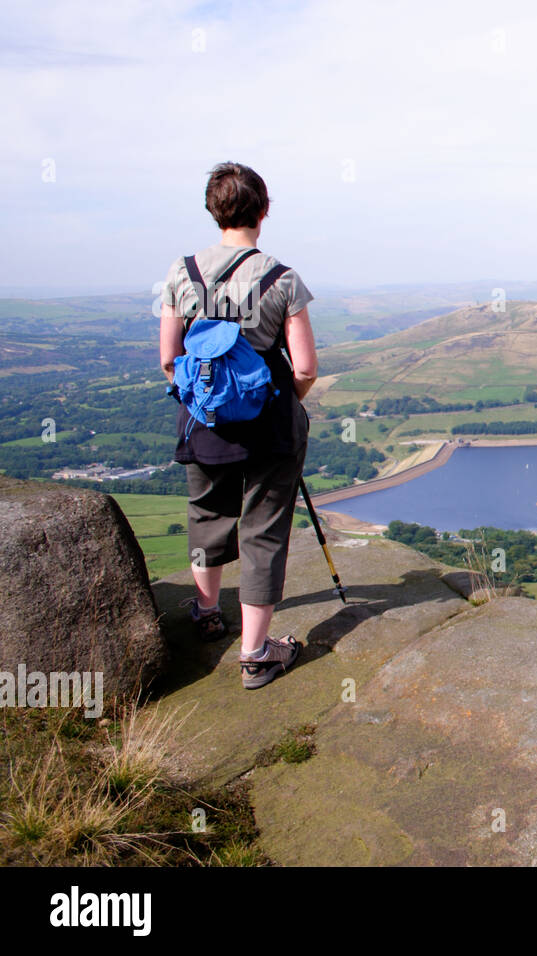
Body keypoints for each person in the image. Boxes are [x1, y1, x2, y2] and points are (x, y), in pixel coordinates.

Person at [158, 162, 318, 690]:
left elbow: (168, 359)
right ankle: (255, 655)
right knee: (263, 532)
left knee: (207, 515)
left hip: (203, 421)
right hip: (269, 426)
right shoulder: (282, 278)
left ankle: (206, 614)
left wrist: (207, 403)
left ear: (212, 210)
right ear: (263, 211)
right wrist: (277, 407)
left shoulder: (182, 273)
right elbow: (305, 369)